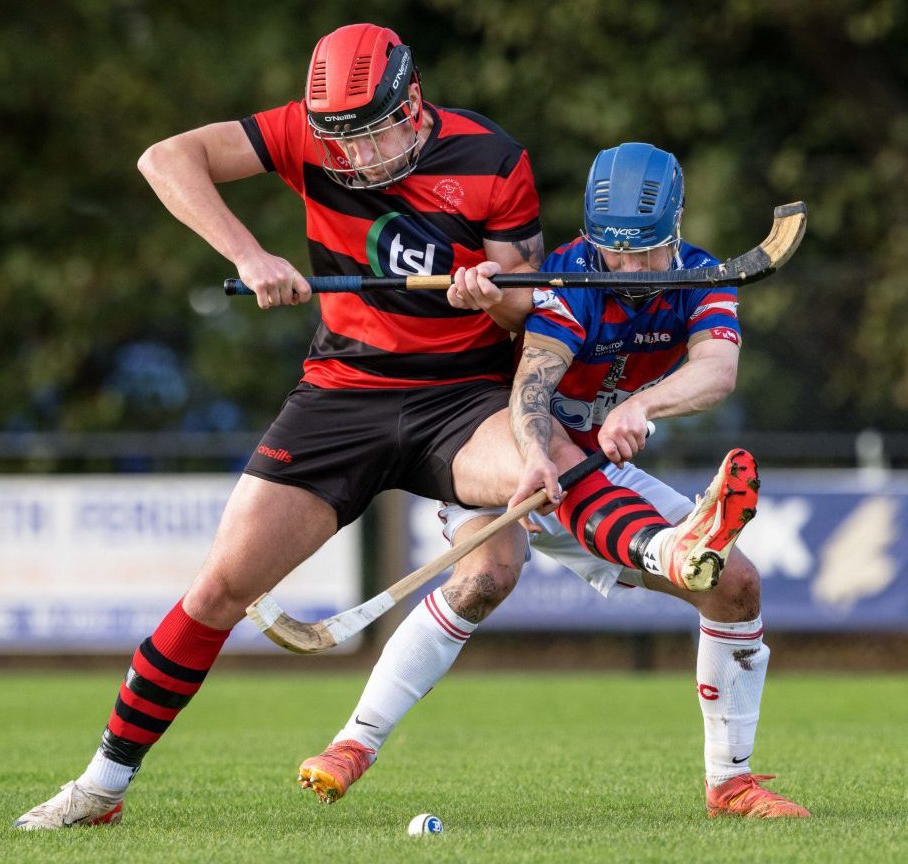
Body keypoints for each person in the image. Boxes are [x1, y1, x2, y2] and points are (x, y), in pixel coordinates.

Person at [15, 26, 739, 830]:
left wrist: (488, 294)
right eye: (339, 141)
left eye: (371, 134)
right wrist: (250, 253)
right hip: (342, 395)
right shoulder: (302, 134)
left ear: (413, 102)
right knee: (220, 589)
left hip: (462, 397)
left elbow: (531, 314)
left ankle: (667, 549)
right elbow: (165, 158)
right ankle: (101, 787)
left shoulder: (493, 160)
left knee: (548, 456)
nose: (354, 159)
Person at [298, 143, 808, 820]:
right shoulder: (569, 280)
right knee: (486, 576)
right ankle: (352, 746)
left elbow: (716, 369)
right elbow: (530, 389)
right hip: (508, 448)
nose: (627, 271)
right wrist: (534, 452)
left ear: (677, 225)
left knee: (737, 585)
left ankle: (731, 785)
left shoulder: (700, 275)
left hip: (600, 468)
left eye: (646, 253)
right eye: (613, 253)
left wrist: (643, 405)